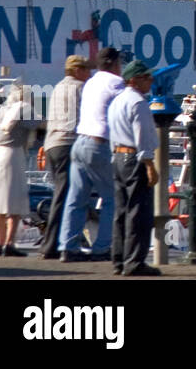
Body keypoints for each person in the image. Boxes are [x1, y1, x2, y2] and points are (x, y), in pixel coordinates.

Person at [59, 46, 126, 262]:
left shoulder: (91, 81)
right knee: (112, 199)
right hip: (99, 144)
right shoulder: (116, 83)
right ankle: (102, 247)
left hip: (80, 142)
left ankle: (67, 247)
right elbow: (127, 108)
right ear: (116, 64)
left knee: (76, 198)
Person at [107, 60, 160, 276]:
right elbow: (143, 137)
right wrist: (150, 165)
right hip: (134, 159)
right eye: (147, 77)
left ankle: (118, 260)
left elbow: (111, 132)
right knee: (139, 212)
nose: (151, 80)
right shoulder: (138, 103)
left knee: (120, 212)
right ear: (134, 80)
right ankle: (134, 262)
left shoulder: (117, 101)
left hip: (118, 157)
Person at [39, 54, 92, 259]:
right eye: (87, 69)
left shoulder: (58, 87)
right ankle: (54, 245)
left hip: (52, 144)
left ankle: (54, 243)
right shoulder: (80, 88)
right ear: (77, 70)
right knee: (69, 196)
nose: (90, 73)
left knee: (59, 194)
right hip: (68, 143)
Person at [0, 83, 37, 256]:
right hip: (12, 154)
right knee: (14, 201)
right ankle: (9, 244)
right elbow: (38, 124)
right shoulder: (23, 109)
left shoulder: (1, 111)